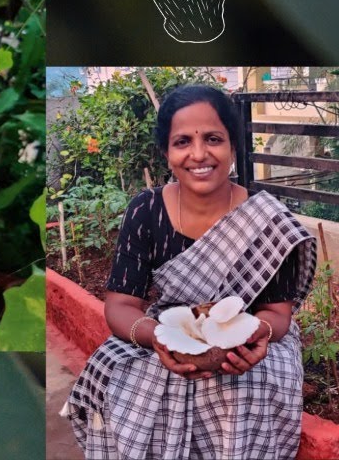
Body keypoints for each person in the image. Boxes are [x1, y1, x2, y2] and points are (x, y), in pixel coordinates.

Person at [63, 84, 318, 459]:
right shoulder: (146, 211)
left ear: (232, 147)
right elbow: (119, 305)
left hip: (245, 343)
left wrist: (254, 335)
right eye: (182, 141)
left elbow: (277, 315)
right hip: (168, 332)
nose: (199, 154)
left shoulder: (267, 220)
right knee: (117, 375)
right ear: (166, 154)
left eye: (213, 138)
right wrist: (159, 340)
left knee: (247, 385)